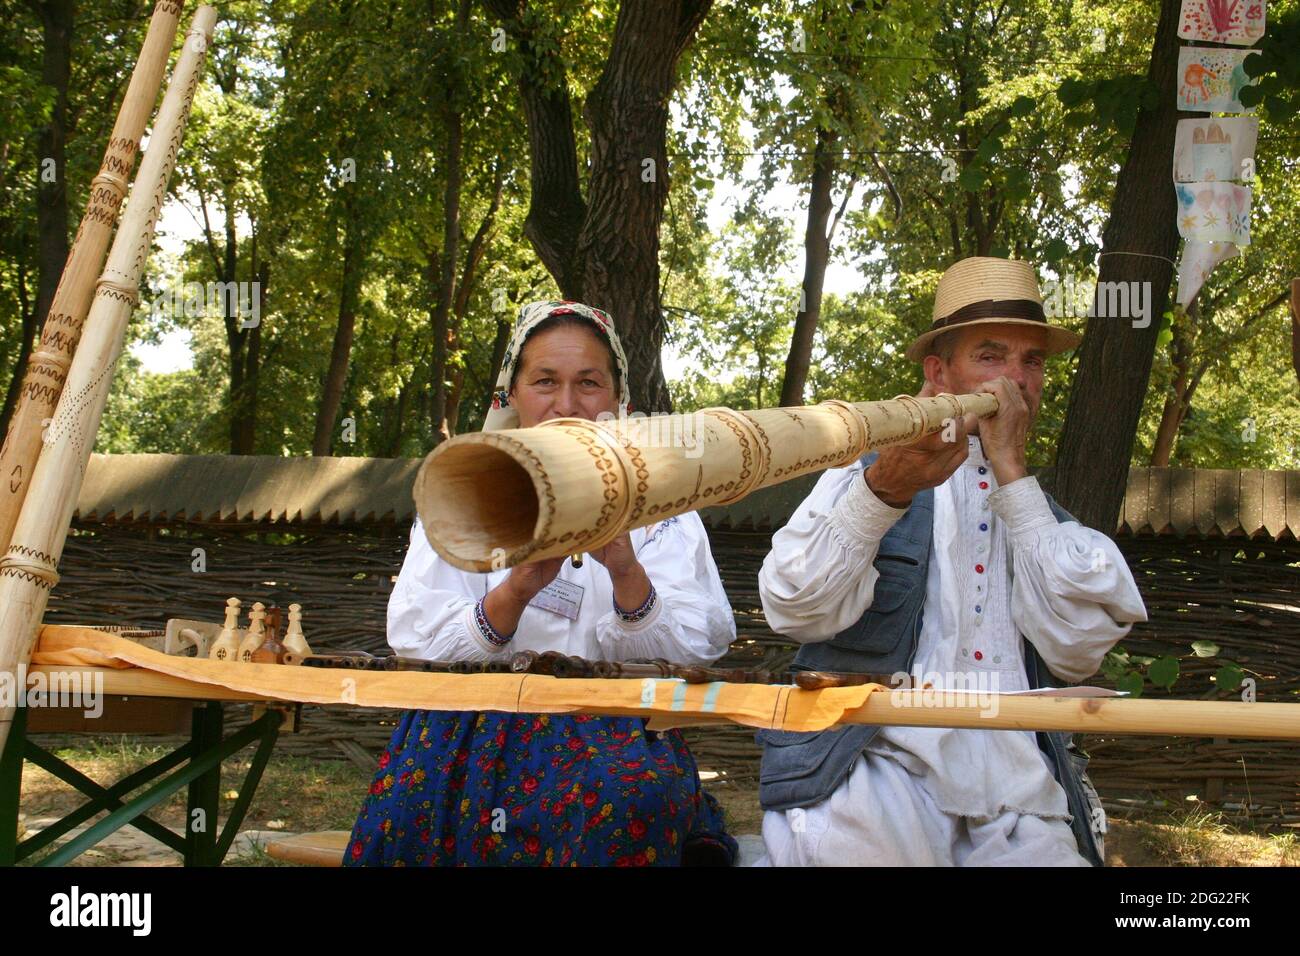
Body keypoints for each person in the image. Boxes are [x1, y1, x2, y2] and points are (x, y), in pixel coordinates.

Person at [755, 257, 1148, 866]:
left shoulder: (1045, 519)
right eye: (991, 357)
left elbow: (1080, 648)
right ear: (938, 374)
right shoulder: (863, 473)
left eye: (1032, 361)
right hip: (875, 760)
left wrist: (1013, 474)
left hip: (1015, 787)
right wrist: (883, 490)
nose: (1014, 381)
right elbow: (792, 607)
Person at [345, 300, 739, 867]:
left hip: (619, 734)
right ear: (513, 394)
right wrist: (518, 586)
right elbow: (415, 640)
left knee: (627, 799)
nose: (567, 405)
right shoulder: (465, 493)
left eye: (589, 383)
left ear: (617, 398)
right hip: (470, 731)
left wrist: (626, 570)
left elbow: (698, 648)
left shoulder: (666, 507)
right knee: (415, 817)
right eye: (545, 381)